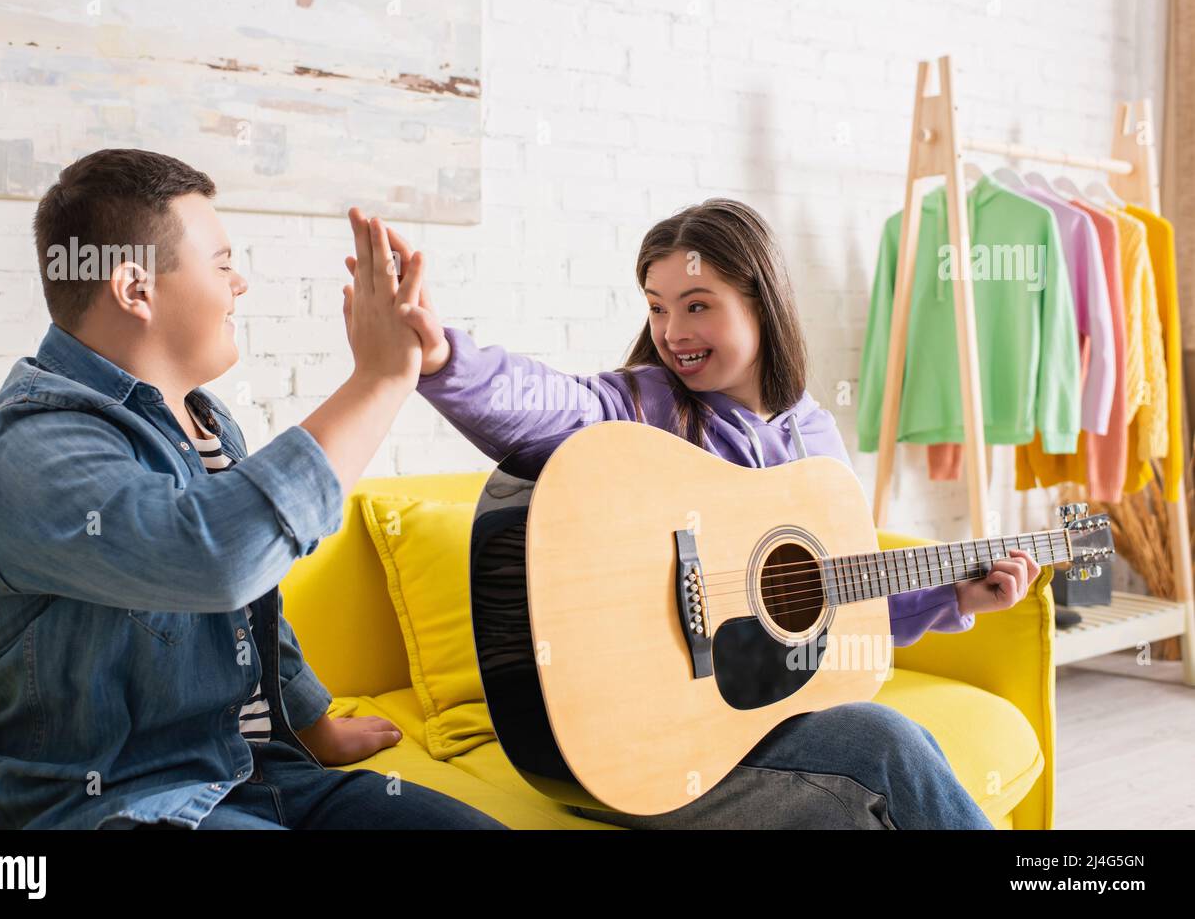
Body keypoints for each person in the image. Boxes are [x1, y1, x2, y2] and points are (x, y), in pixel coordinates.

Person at [346, 197, 1040, 829]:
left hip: (759, 726)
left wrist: (954, 594)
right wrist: (439, 357)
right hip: (643, 754)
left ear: (761, 302)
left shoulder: (816, 439)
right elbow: (544, 403)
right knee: (890, 744)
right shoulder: (643, 408)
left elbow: (828, 618)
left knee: (867, 790)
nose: (673, 330)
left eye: (697, 305)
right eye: (657, 306)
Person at [0, 148, 507, 830]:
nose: (241, 284)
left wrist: (312, 719)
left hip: (256, 772)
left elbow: (246, 604)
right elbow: (212, 558)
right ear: (135, 289)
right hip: (110, 804)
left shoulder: (208, 422)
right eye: (222, 262)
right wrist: (379, 381)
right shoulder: (26, 446)